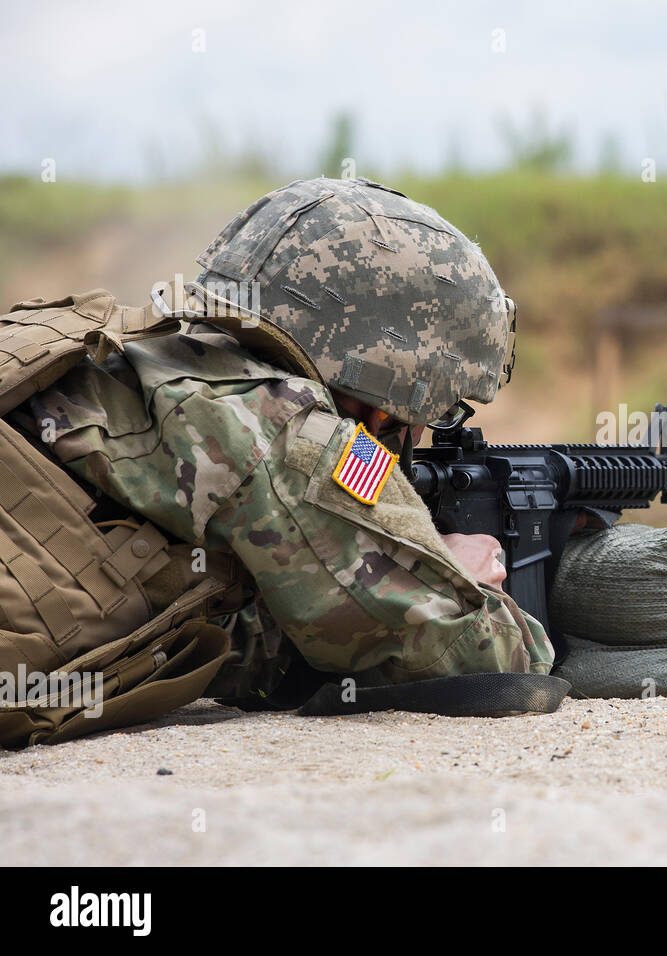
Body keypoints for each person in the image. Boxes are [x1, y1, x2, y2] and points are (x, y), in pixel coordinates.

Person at [0, 178, 555, 744]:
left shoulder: (140, 359)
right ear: (386, 393)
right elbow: (480, 658)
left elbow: (207, 622)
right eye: (437, 411)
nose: (420, 432)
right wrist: (456, 575)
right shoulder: (287, 428)